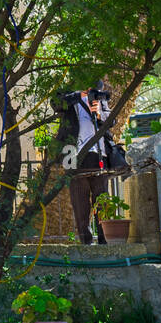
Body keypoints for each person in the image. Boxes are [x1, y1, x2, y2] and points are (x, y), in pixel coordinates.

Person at [52, 83, 116, 244]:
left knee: (101, 199)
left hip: (99, 154)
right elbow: (56, 104)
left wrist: (99, 114)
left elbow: (112, 121)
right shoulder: (69, 94)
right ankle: (85, 241)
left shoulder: (100, 99)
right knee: (79, 201)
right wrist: (78, 95)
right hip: (73, 154)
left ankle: (104, 239)